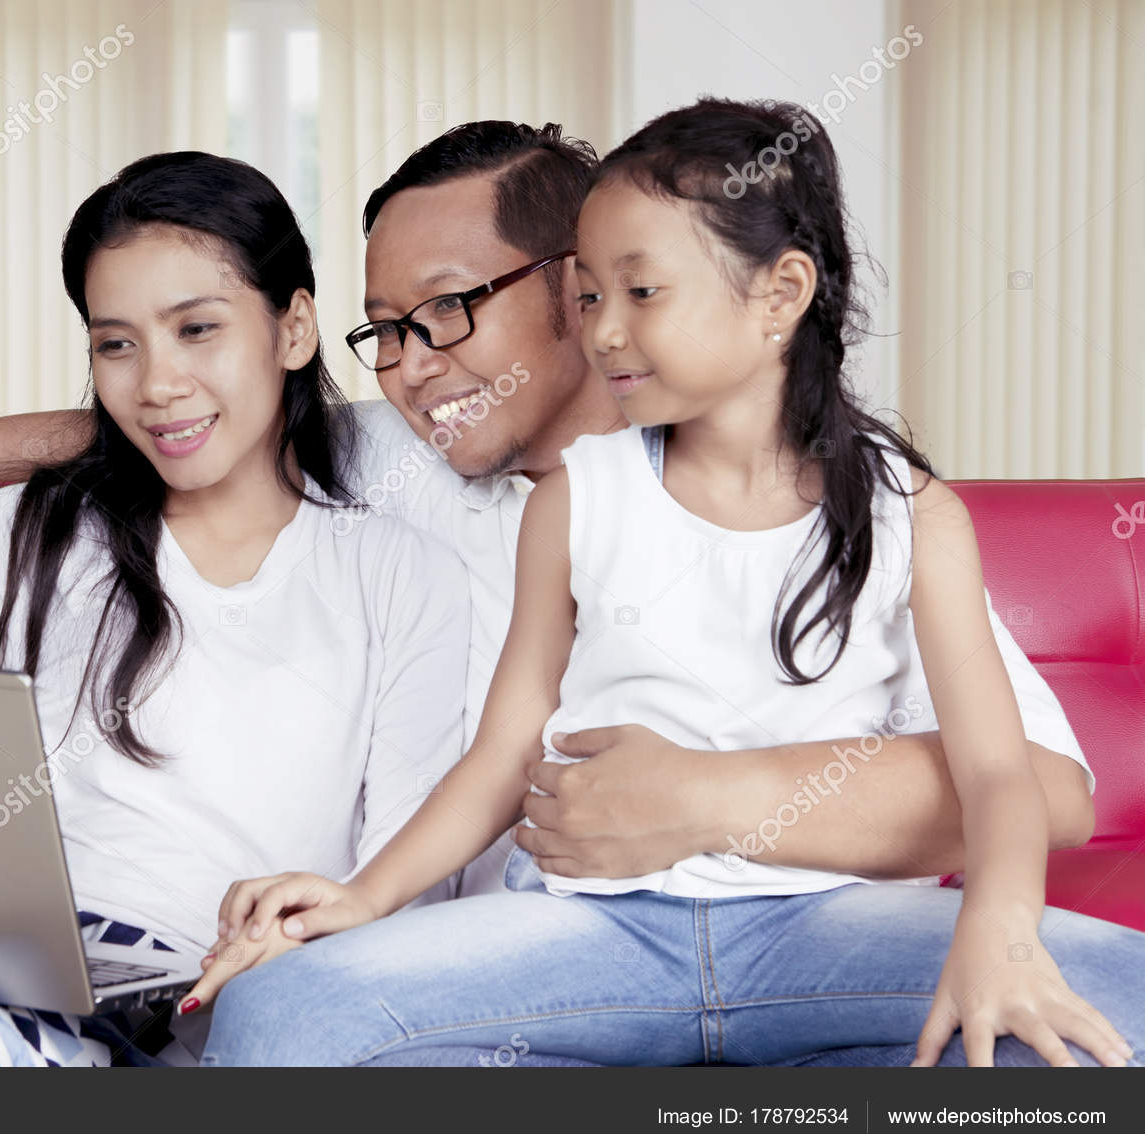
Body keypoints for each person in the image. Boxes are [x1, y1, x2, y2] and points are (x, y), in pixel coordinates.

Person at [0, 121, 1106, 1066]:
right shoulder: (397, 454)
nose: (411, 363)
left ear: (584, 285)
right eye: (383, 331)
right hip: (515, 970)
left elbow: (1043, 788)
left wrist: (718, 796)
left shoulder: (858, 496)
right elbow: (124, 416)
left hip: (764, 933)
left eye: (446, 311)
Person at [186, 99, 1145, 1068]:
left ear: (778, 295)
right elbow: (500, 756)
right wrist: (361, 895)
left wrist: (1000, 929)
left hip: (822, 930)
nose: (410, 365)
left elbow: (1012, 778)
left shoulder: (904, 511)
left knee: (1117, 1011)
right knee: (280, 1018)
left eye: (636, 293)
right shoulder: (547, 494)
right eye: (593, 297)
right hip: (596, 940)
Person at [0, 152, 469, 1067]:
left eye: (197, 329)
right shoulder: (20, 533)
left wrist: (294, 940)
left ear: (296, 327)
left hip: (197, 1004)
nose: (156, 385)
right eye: (117, 344)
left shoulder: (399, 574)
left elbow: (406, 885)